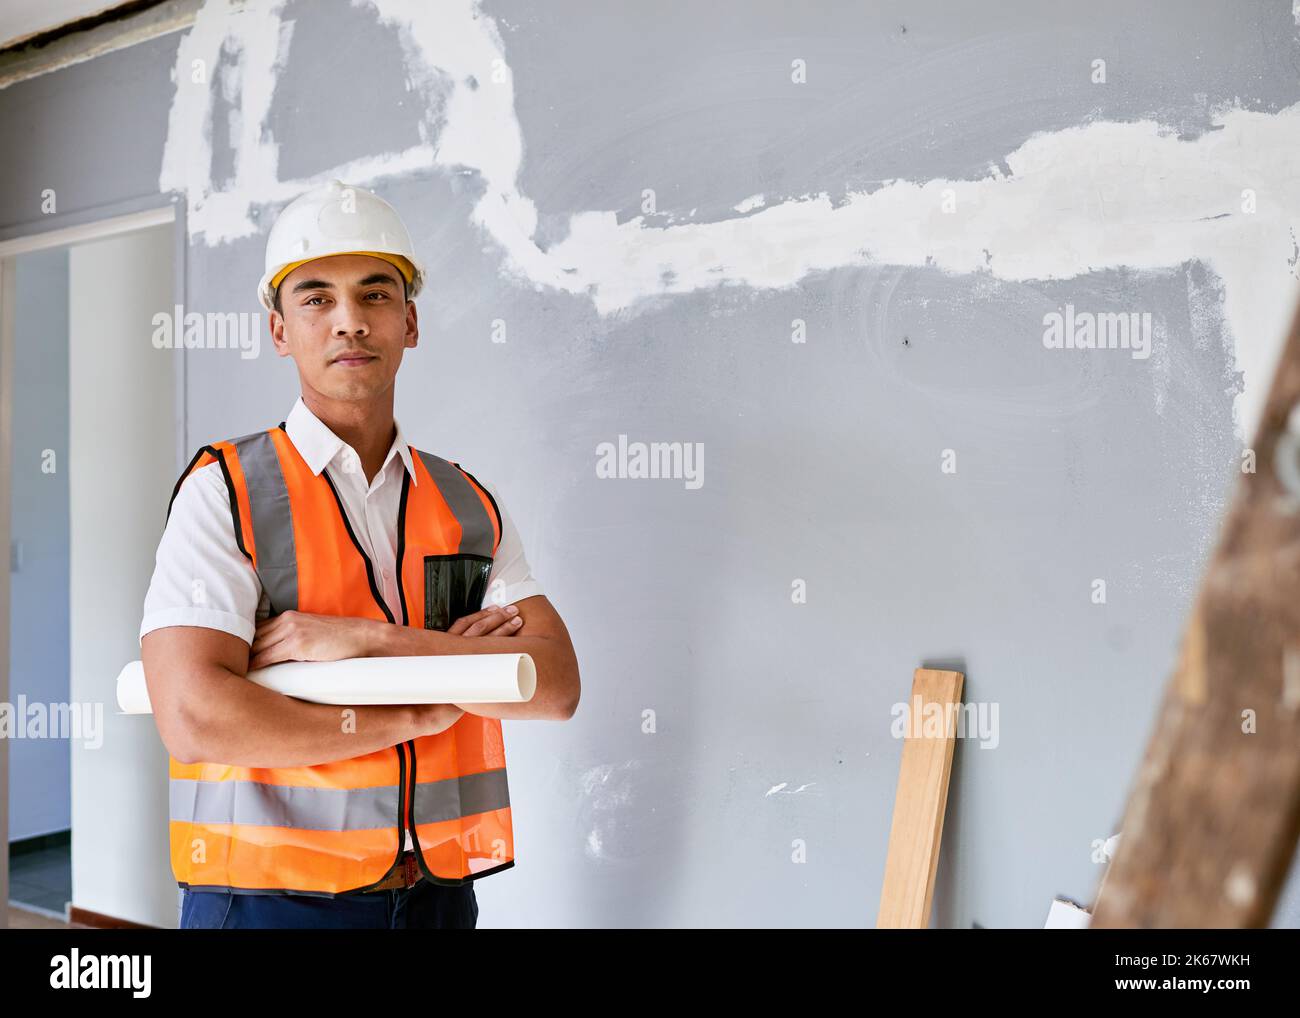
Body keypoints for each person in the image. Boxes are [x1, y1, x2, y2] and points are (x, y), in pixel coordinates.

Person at [140, 179, 580, 929]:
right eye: (316, 298)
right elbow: (195, 714)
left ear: (410, 323)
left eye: (375, 295)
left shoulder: (467, 501)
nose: (349, 322)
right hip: (269, 902)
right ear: (279, 330)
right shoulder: (227, 493)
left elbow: (555, 686)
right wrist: (429, 697)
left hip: (438, 897)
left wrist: (372, 641)